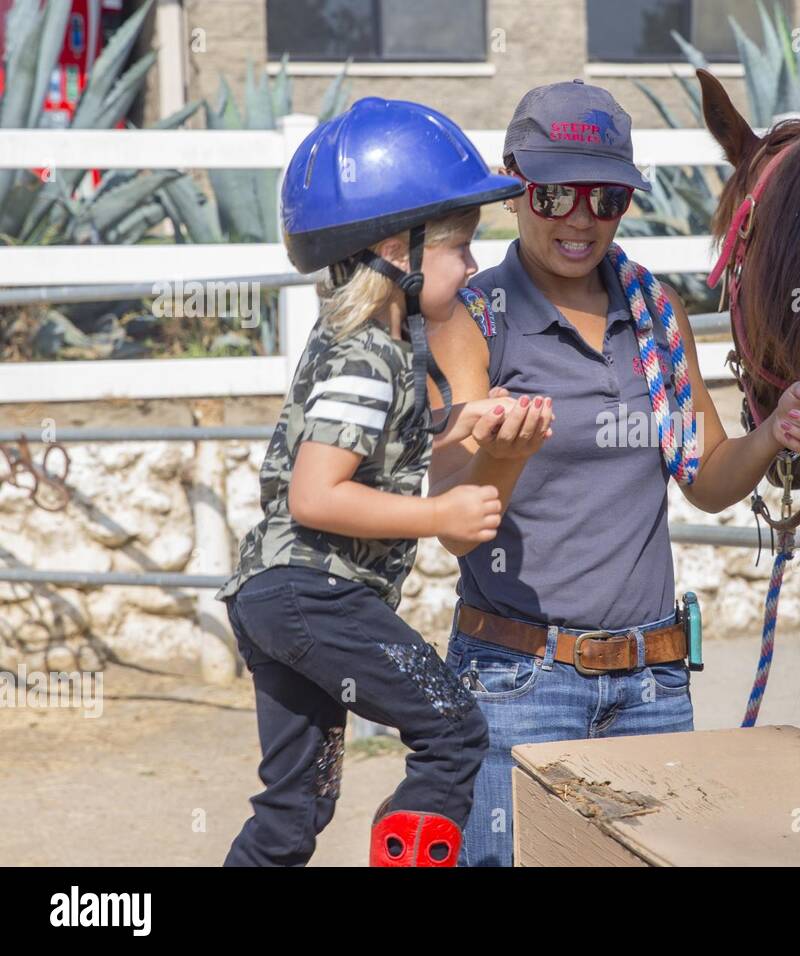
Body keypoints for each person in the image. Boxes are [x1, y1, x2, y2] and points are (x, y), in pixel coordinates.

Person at [427, 80, 800, 866]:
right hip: (518, 681)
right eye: (555, 192)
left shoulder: (656, 311)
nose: (581, 218)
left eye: (606, 196)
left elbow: (708, 478)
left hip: (652, 684)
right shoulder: (473, 320)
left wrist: (773, 434)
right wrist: (504, 457)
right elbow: (453, 519)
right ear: (515, 188)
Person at [215, 97, 554, 866]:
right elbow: (318, 495)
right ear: (398, 249)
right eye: (460, 248)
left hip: (277, 594)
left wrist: (461, 421)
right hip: (317, 595)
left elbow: (367, 449)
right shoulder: (370, 358)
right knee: (454, 729)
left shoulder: (364, 347)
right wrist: (439, 515)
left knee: (297, 804)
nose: (471, 267)